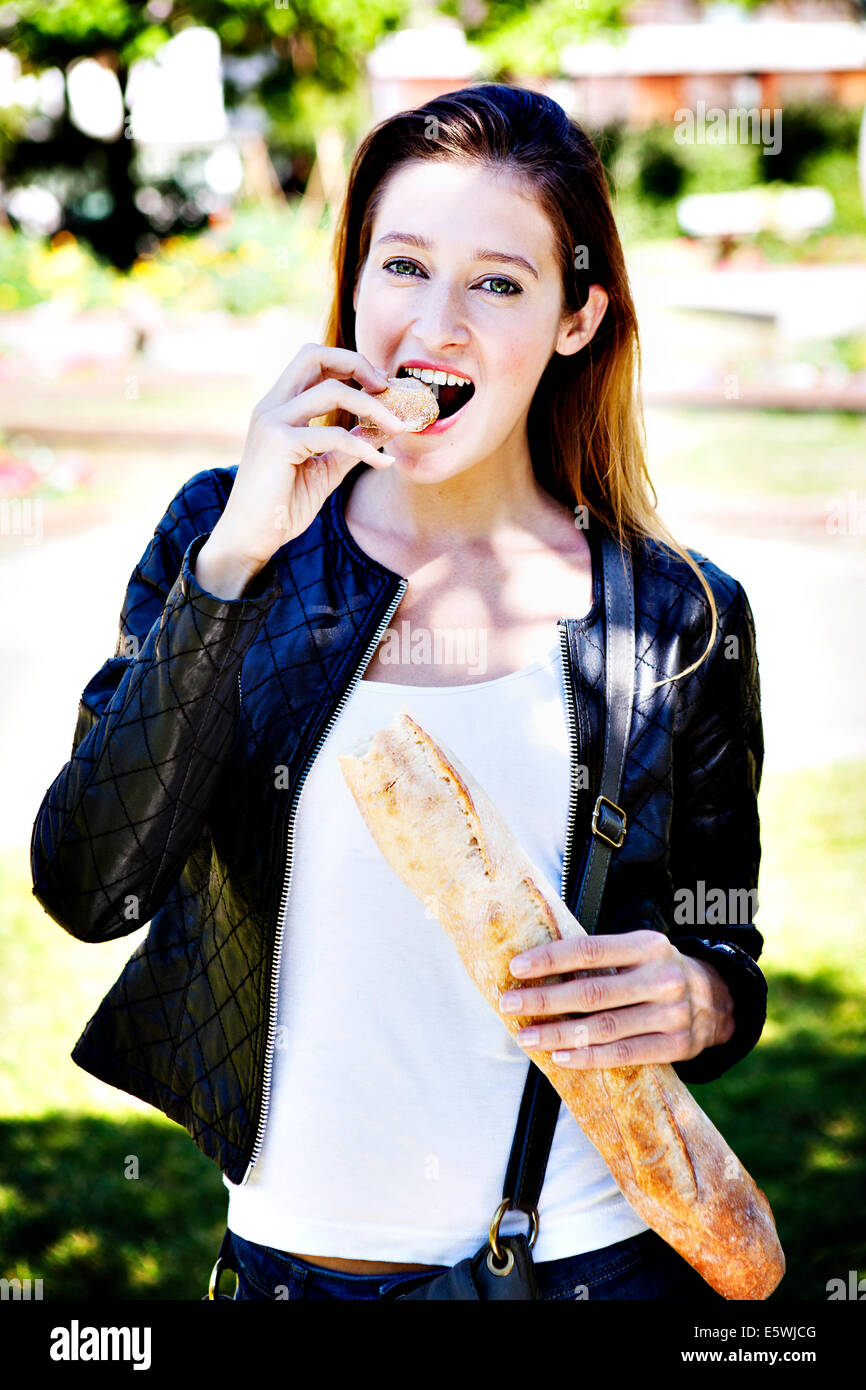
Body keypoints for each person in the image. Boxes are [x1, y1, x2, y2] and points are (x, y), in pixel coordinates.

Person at [31, 84, 768, 1302]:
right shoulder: (223, 535)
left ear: (576, 317)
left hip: (585, 1270)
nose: (435, 326)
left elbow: (720, 938)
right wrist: (235, 563)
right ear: (355, 283)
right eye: (404, 266)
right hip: (288, 1269)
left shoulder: (677, 614)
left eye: (497, 284)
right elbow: (89, 885)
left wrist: (703, 998)